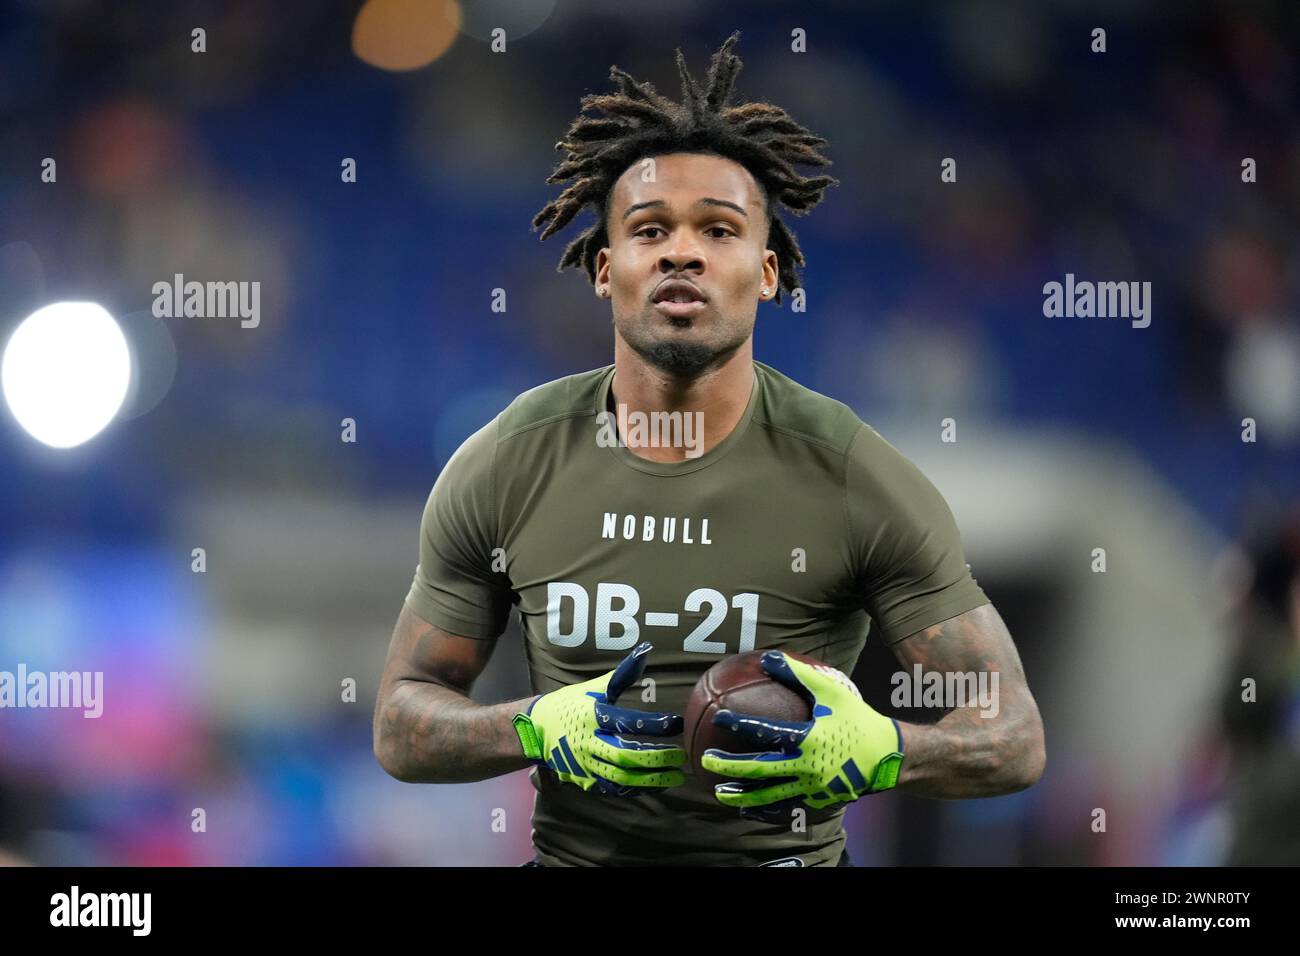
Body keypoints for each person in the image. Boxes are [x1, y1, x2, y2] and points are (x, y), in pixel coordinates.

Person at [373, 32, 1045, 866]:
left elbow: (1013, 737)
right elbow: (401, 725)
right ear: (603, 266)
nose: (682, 251)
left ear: (766, 273)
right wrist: (534, 725)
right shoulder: (508, 460)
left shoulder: (855, 475)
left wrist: (883, 748)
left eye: (718, 231)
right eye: (650, 229)